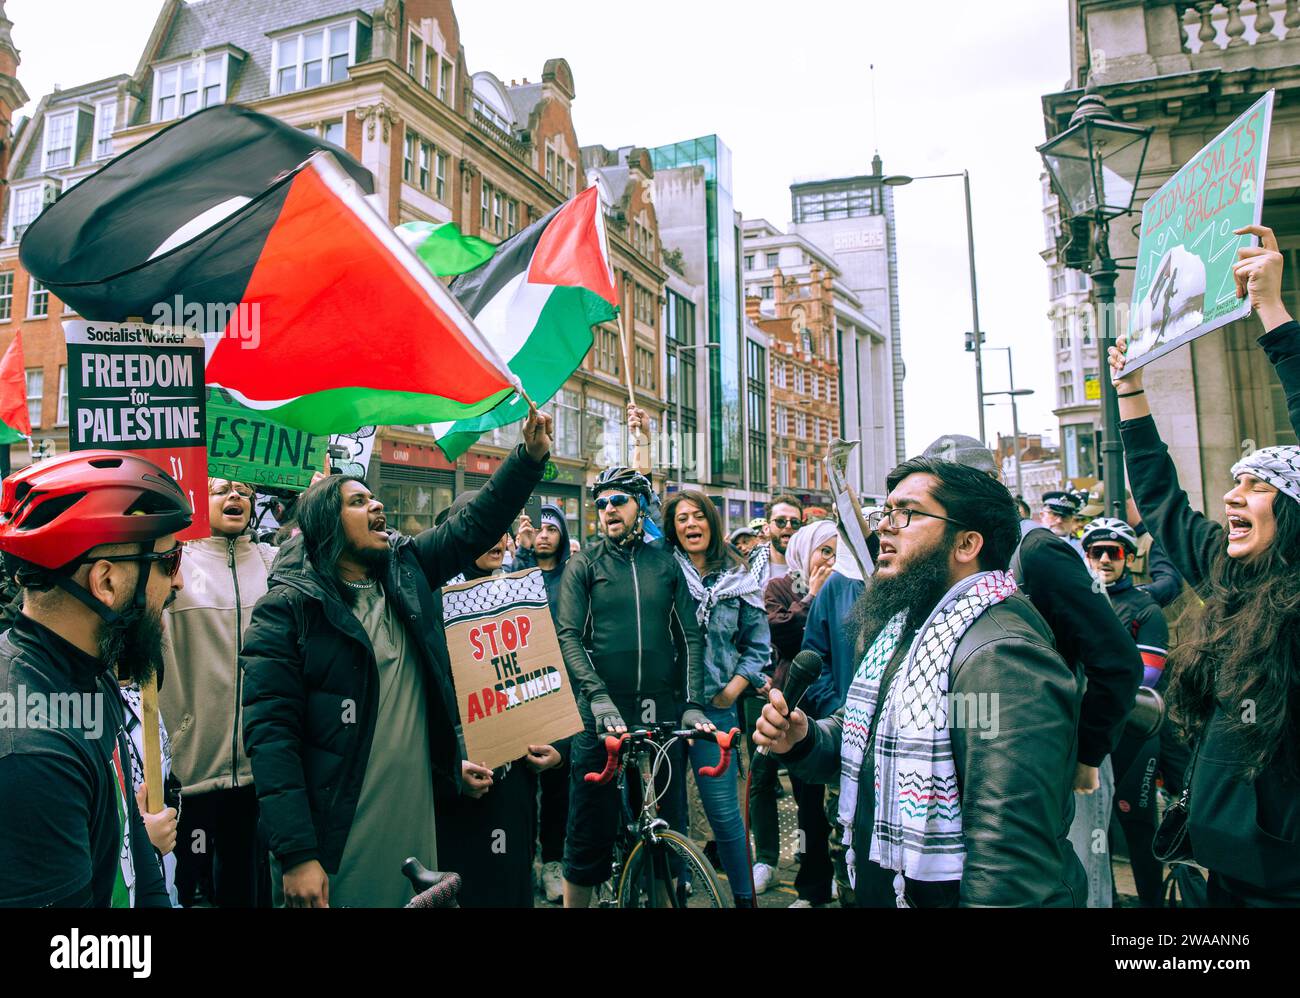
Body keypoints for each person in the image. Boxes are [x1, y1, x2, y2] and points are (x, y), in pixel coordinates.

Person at [240, 407, 552, 908]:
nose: (378, 505)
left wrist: (529, 457)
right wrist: (297, 854)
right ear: (327, 523)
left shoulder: (404, 573)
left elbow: (475, 523)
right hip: (339, 836)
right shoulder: (285, 613)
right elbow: (270, 738)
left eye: (375, 497)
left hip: (412, 823)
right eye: (359, 501)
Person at [755, 457, 1087, 907]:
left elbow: (1008, 852)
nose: (884, 529)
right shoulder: (909, 627)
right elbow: (874, 744)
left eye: (906, 514)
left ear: (967, 543)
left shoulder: (1001, 656)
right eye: (885, 514)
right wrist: (806, 737)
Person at [1107, 223, 1300, 905]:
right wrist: (1129, 390)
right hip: (1219, 861)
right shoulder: (1224, 570)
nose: (1232, 494)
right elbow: (1160, 500)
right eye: (1233, 482)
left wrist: (1272, 311)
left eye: (1256, 486)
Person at [921, 432, 1143, 908]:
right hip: (980, 753)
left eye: (969, 488)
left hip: (1053, 753)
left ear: (996, 488)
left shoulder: (1036, 550)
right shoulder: (937, 558)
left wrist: (1086, 753)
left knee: (1071, 876)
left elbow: (1117, 659)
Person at [0, 450, 190, 907]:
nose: (179, 583)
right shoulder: (31, 753)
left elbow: (134, 859)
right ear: (106, 582)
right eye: (169, 560)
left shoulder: (88, 669)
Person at [555, 466, 708, 908]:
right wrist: (596, 695)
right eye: (600, 503)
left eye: (617, 500)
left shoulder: (665, 563)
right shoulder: (584, 563)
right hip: (601, 709)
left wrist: (692, 704)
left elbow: (690, 638)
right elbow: (568, 635)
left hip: (658, 709)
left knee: (665, 824)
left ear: (641, 505)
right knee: (588, 829)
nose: (607, 510)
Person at [435, 500, 562, 908]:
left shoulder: (520, 594)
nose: (499, 539)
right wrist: (449, 767)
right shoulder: (430, 599)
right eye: (485, 528)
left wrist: (557, 746)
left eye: (501, 530)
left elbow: (544, 681)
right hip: (460, 786)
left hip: (516, 781)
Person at [160, 477, 278, 908]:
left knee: (245, 891)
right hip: (191, 777)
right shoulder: (172, 565)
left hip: (259, 772)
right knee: (192, 894)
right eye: (221, 489)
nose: (236, 497)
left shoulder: (273, 562)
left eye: (245, 490)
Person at [662, 489, 771, 907]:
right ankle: (677, 895)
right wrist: (641, 442)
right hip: (669, 707)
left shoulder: (740, 577)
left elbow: (758, 646)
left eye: (698, 516)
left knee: (726, 816)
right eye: (682, 518)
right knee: (671, 816)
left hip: (716, 711)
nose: (691, 524)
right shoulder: (664, 571)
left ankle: (744, 901)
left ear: (712, 521)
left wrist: (733, 691)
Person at [1080, 517, 1170, 907]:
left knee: (1137, 826)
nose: (1103, 559)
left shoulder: (1144, 608)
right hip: (1096, 736)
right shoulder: (1081, 603)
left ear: (1128, 559)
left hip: (1134, 737)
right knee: (1097, 829)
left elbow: (1145, 678)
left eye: (1113, 552)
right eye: (1095, 551)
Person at [760, 519, 839, 907]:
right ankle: (813, 885)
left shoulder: (847, 587)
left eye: (837, 553)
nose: (830, 560)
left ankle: (845, 870)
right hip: (796, 704)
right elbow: (784, 635)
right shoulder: (779, 588)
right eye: (824, 551)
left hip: (837, 701)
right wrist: (812, 596)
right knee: (808, 806)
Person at [513, 502, 574, 903]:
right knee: (520, 784)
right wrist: (520, 552)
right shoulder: (520, 569)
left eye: (553, 529)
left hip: (561, 691)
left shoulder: (573, 577)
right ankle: (520, 860)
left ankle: (553, 860)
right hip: (519, 689)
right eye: (540, 528)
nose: (545, 535)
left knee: (557, 783)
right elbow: (505, 597)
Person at [1039, 490, 1086, 557]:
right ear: (1042, 515)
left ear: (1072, 520)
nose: (1059, 521)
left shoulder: (1081, 548)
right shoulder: (1030, 543)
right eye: (1054, 514)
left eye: (1065, 516)